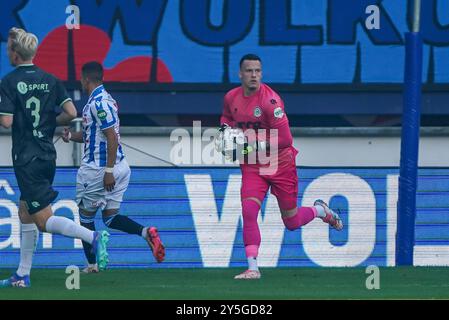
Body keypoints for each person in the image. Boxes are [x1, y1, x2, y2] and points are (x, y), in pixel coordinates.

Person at [217, 54, 343, 280]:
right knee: (248, 212)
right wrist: (225, 134)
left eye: (257, 71)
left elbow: (285, 139)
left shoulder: (270, 101)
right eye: (249, 71)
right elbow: (226, 118)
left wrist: (250, 144)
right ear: (240, 74)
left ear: (262, 73)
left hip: (279, 163)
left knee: (292, 222)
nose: (254, 75)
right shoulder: (231, 97)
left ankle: (320, 211)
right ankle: (252, 268)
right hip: (253, 164)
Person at [0, 28, 109, 288]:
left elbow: (6, 122)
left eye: (8, 49)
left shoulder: (9, 81)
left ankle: (92, 236)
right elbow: (71, 112)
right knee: (25, 210)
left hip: (27, 157)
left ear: (15, 54)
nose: (7, 52)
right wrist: (48, 122)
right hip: (47, 154)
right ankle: (22, 274)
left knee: (43, 221)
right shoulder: (50, 79)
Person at [62, 61, 165, 273]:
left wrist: (108, 171)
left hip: (99, 170)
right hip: (120, 166)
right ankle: (146, 232)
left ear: (86, 79)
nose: (81, 82)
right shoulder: (106, 99)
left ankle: (92, 265)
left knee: (84, 218)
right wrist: (71, 136)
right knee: (109, 217)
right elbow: (94, 136)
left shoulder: (98, 103)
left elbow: (111, 137)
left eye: (81, 79)